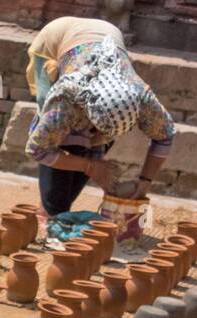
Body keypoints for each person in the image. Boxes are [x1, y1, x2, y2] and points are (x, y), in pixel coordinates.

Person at [24, 15, 175, 216]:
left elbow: (165, 135)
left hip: (107, 30)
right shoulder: (67, 97)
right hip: (57, 36)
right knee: (63, 138)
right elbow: (37, 149)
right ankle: (49, 209)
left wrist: (145, 182)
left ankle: (55, 209)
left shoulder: (139, 95)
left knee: (92, 143)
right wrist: (89, 166)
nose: (100, 136)